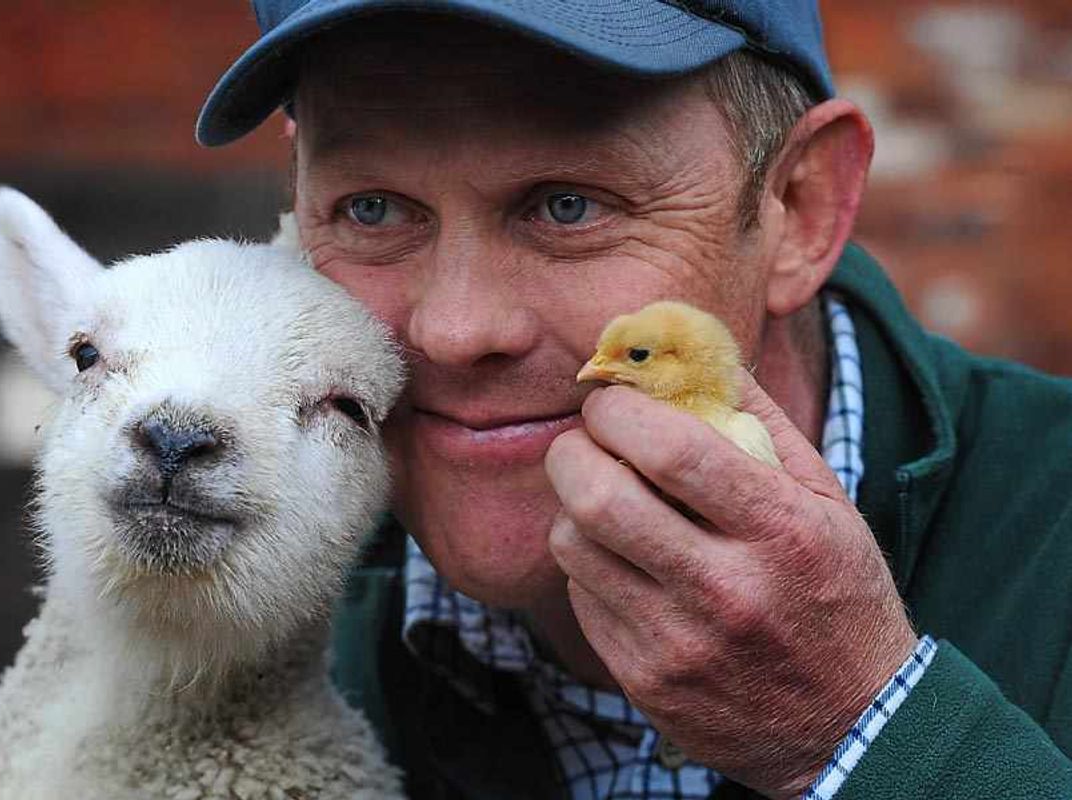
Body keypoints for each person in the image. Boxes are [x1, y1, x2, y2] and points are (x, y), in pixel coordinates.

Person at [196, 2, 1072, 798]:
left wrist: (860, 733)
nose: (456, 330)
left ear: (799, 209)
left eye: (569, 207)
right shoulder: (233, 630)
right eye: (374, 209)